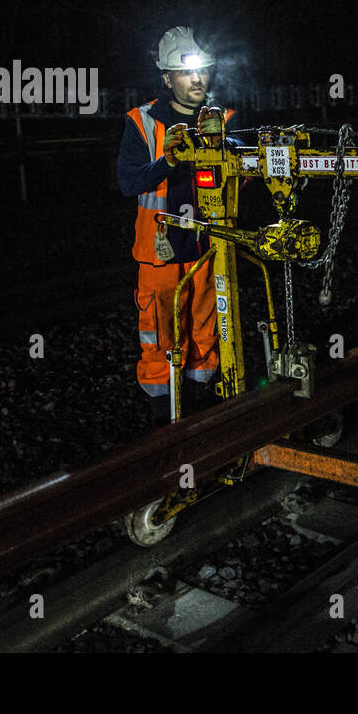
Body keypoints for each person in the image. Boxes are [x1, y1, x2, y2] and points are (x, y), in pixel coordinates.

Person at [117, 26, 226, 424]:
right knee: (160, 339)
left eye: (203, 71)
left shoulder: (223, 121)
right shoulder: (143, 122)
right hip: (159, 251)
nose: (197, 79)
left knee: (206, 333)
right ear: (167, 78)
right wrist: (169, 162)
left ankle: (205, 415)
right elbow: (129, 181)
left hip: (208, 248)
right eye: (185, 73)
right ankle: (163, 424)